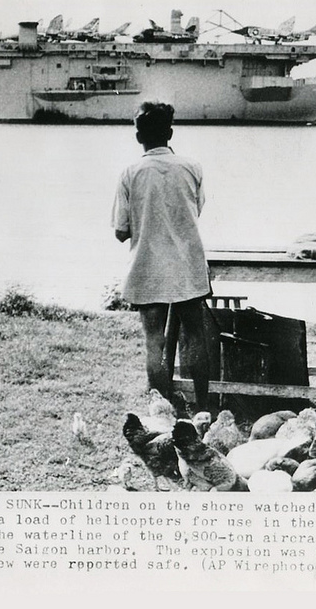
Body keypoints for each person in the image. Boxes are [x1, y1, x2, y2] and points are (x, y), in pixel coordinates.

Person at [112, 101, 212, 413]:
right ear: (170, 133)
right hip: (187, 264)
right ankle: (203, 407)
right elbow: (196, 210)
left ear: (137, 135)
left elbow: (120, 231)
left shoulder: (130, 173)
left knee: (153, 341)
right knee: (196, 335)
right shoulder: (192, 167)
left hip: (148, 266)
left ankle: (161, 412)